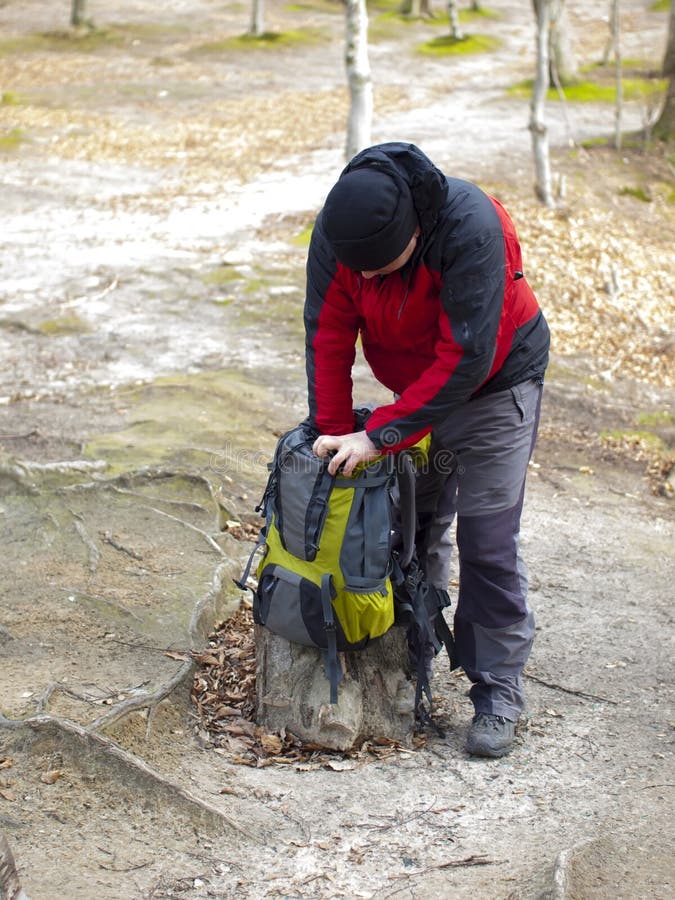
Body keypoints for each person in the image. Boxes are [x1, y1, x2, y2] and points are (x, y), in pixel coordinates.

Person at [304, 142, 550, 758]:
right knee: (413, 525)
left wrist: (381, 434)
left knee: (487, 543)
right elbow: (329, 333)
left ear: (414, 232)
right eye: (355, 268)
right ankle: (413, 656)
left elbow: (465, 356)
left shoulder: (470, 227)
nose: (362, 279)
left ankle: (497, 689)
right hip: (413, 389)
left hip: (495, 382)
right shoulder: (344, 228)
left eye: (377, 270)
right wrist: (334, 436)